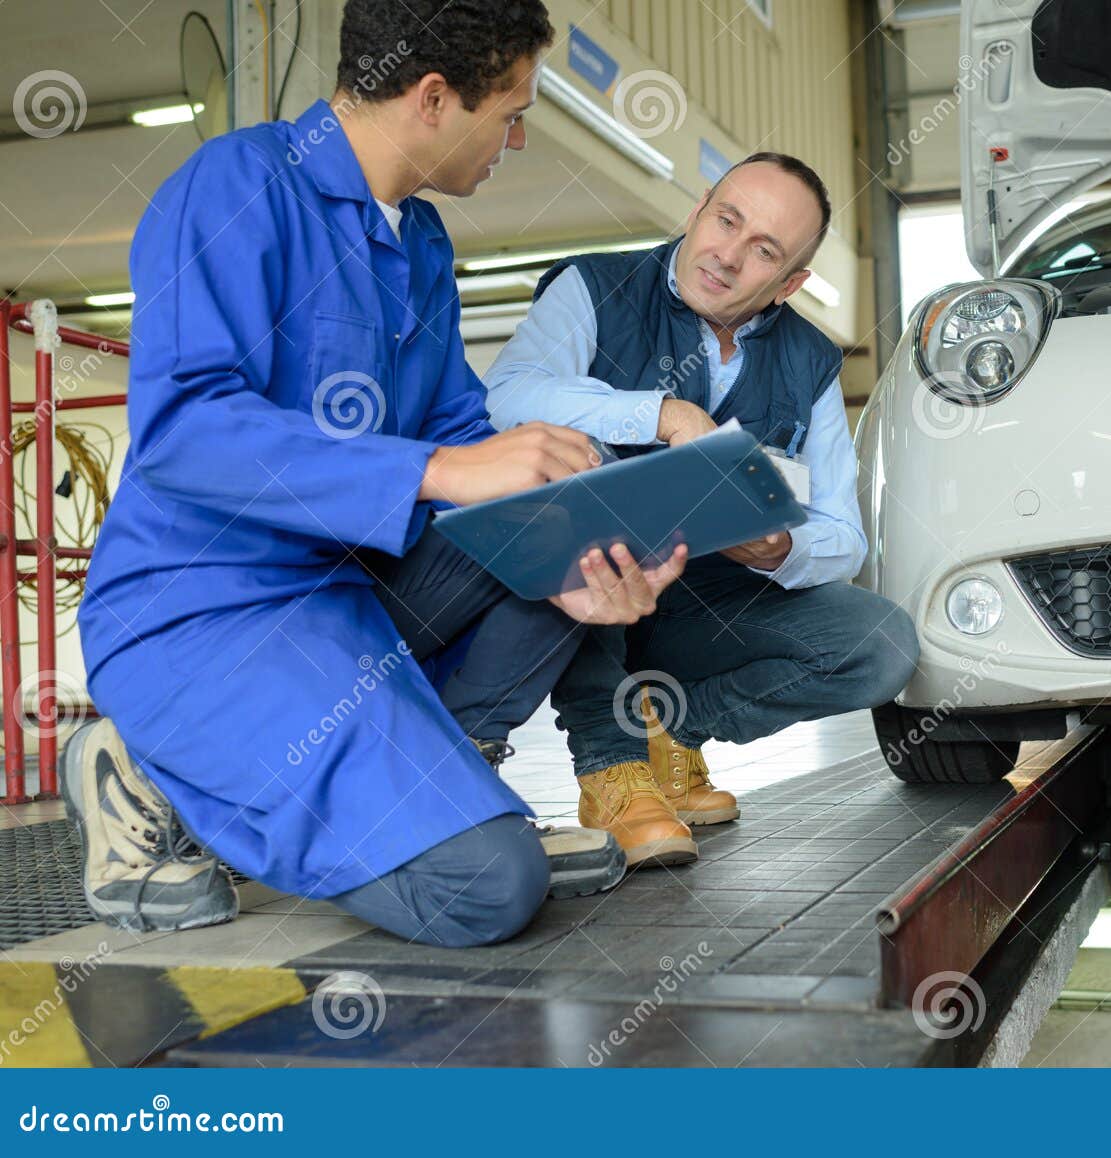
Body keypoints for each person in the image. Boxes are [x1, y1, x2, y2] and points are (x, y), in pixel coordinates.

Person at [65, 0, 686, 948]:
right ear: (434, 98)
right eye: (512, 113)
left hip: (343, 596)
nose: (516, 141)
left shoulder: (421, 244)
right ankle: (146, 765)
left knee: (559, 537)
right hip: (207, 612)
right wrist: (442, 467)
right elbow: (184, 431)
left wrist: (582, 553)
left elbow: (457, 434)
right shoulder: (238, 187)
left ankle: (447, 785)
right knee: (490, 889)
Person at [482, 153, 919, 868]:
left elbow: (844, 537)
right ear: (697, 213)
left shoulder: (810, 360)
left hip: (707, 607)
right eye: (726, 220)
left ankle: (674, 728)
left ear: (789, 284)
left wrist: (781, 549)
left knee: (882, 645)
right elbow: (507, 396)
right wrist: (663, 413)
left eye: (765, 251)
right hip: (587, 591)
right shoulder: (592, 286)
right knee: (584, 462)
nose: (728, 255)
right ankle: (611, 770)